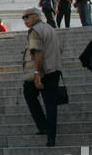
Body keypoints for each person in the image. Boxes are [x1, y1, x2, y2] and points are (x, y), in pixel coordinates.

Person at [20, 8, 63, 147]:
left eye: (27, 17)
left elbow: (38, 52)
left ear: (36, 16)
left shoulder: (35, 31)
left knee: (29, 94)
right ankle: (51, 135)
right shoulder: (49, 28)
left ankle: (43, 127)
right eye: (23, 18)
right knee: (50, 104)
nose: (25, 20)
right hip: (54, 70)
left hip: (41, 72)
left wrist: (37, 74)